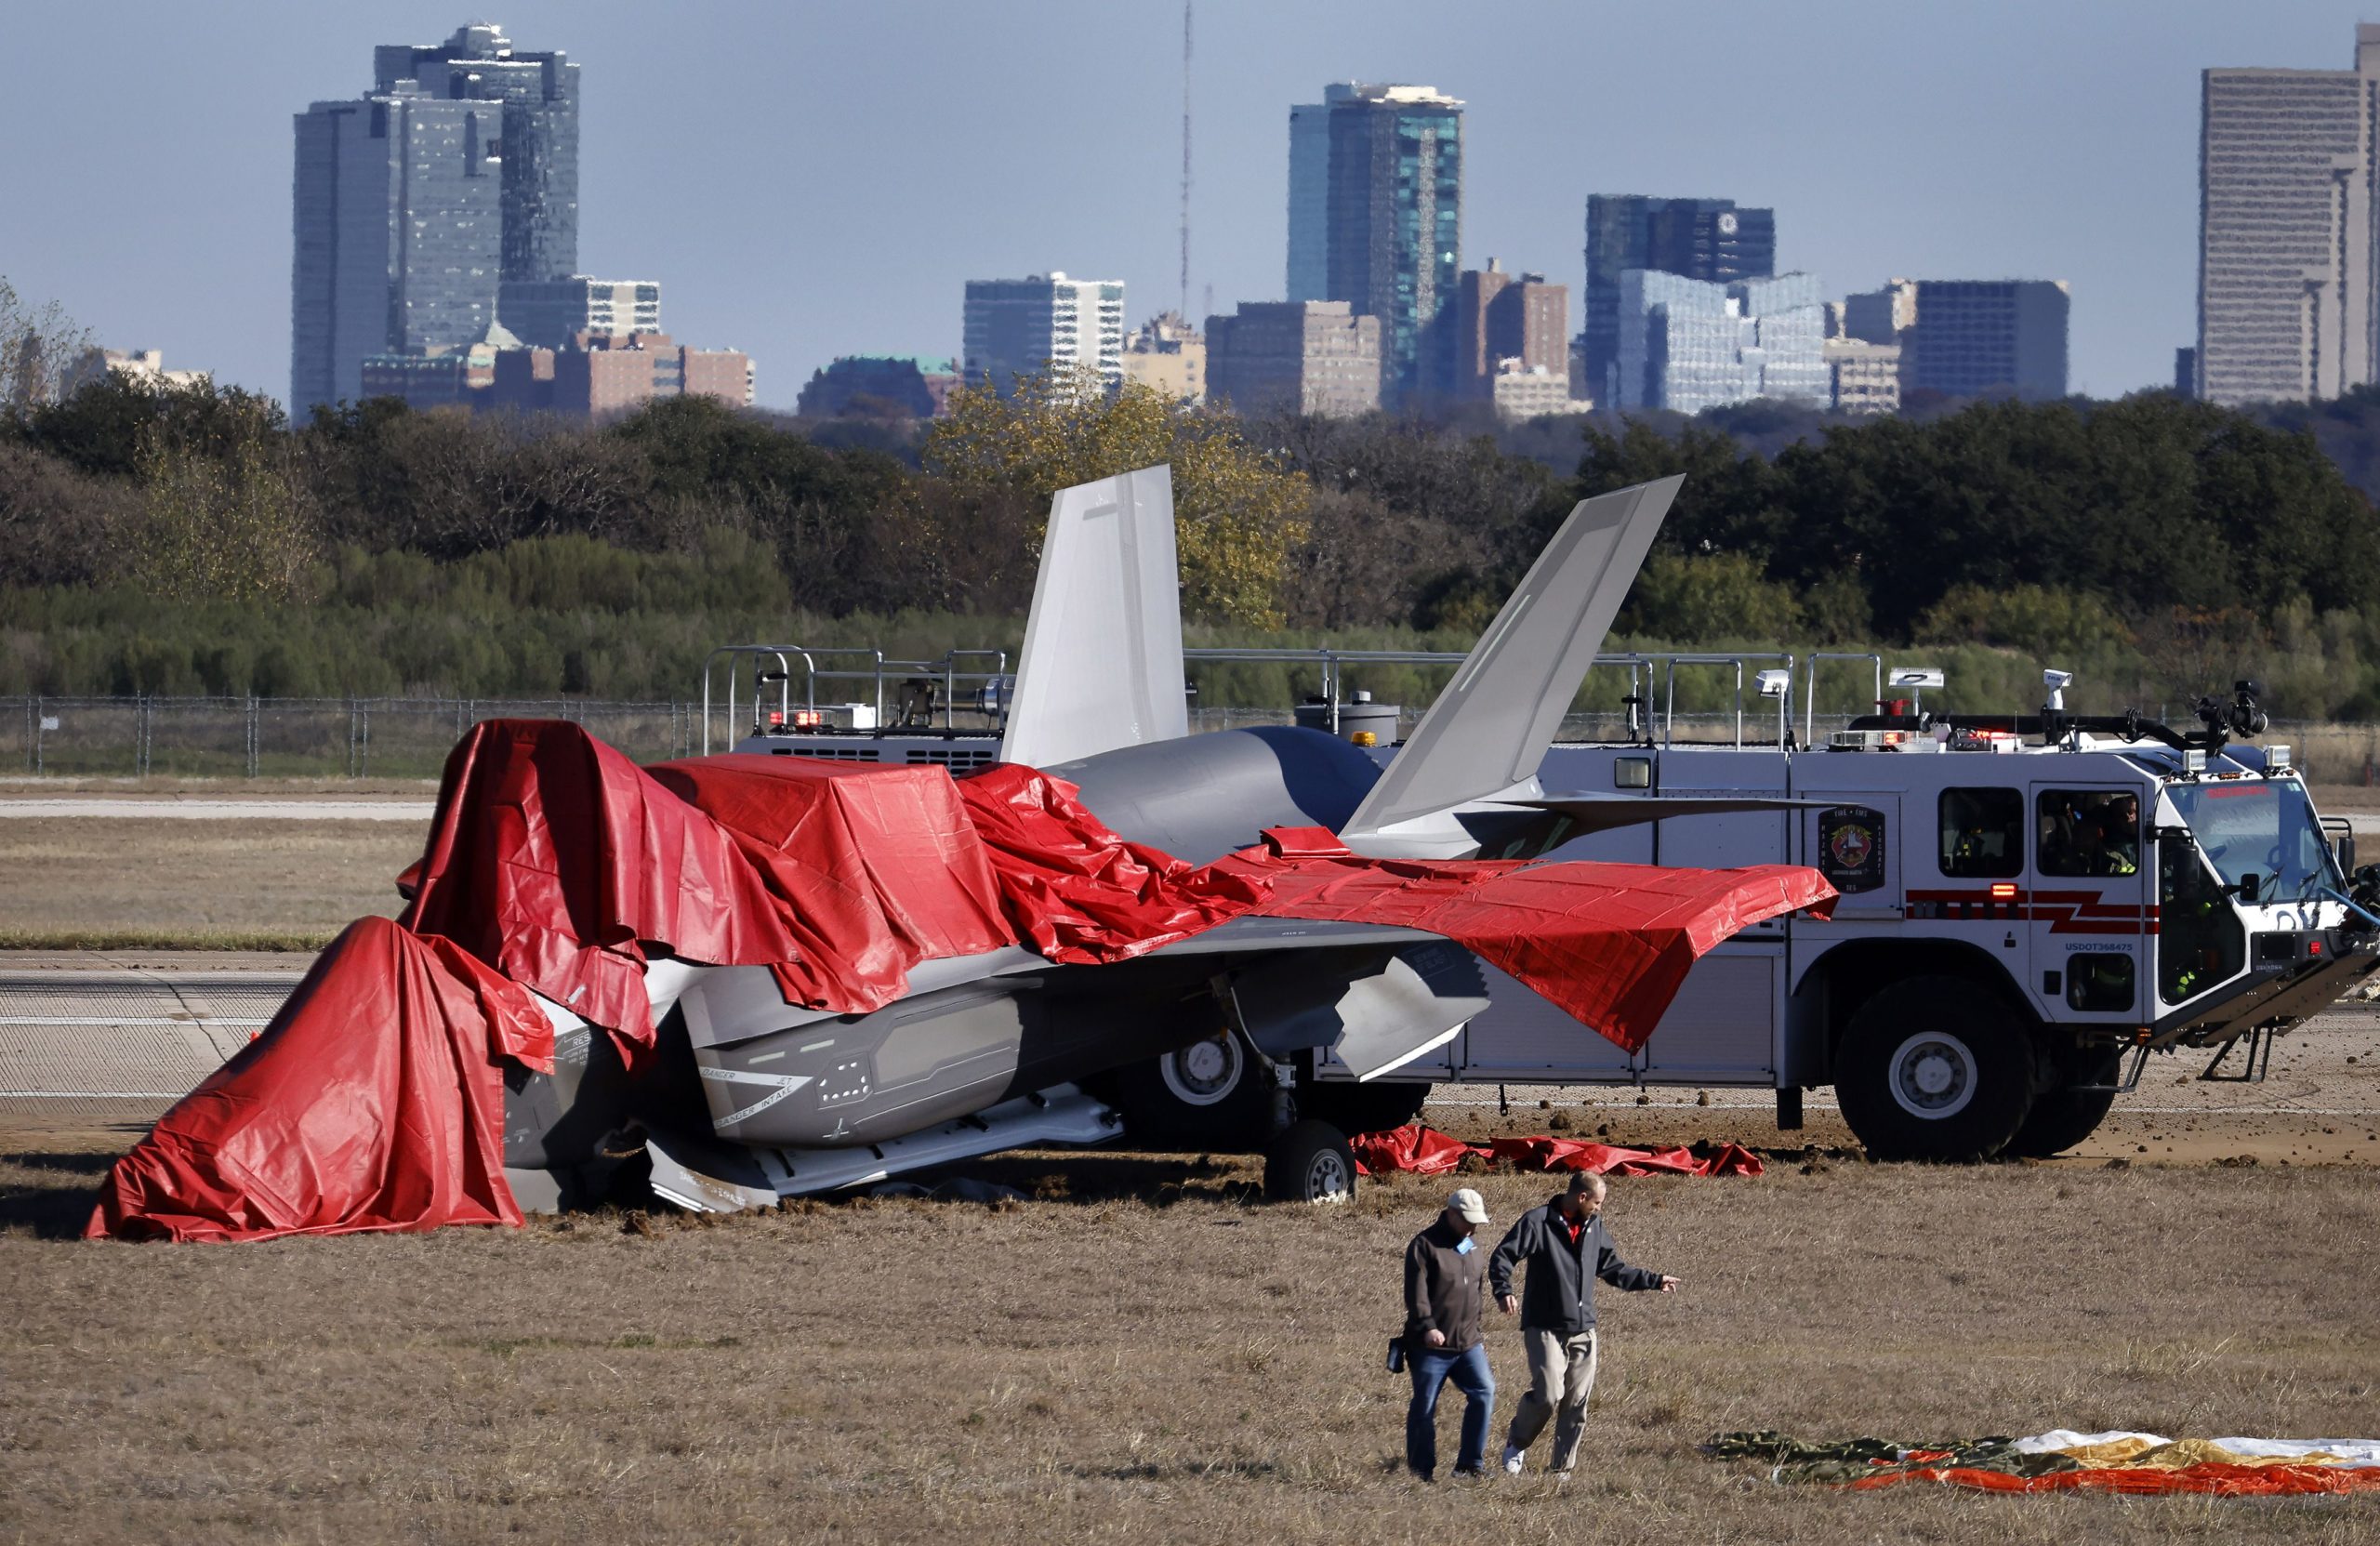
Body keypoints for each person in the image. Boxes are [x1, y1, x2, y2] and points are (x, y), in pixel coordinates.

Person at [1488, 1171, 1679, 1476]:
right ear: (1581, 1198)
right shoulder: (1538, 1222)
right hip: (1544, 1326)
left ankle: (1560, 1470)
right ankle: (1517, 1441)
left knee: (1577, 1402)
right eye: (1597, 1202)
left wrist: (1654, 1281)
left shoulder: (1594, 1226)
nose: (1600, 1208)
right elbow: (1502, 1257)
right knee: (1549, 1394)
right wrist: (1503, 1290)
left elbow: (1614, 1269)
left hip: (1583, 1329)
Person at [1401, 1187, 1497, 1481]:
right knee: (1425, 1407)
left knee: (1485, 1392)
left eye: (1477, 1221)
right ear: (1451, 1214)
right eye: (1468, 1220)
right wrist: (1428, 1326)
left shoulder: (1473, 1247)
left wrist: (1476, 1327)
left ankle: (1469, 1466)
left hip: (1468, 1343)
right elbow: (1415, 1294)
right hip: (1430, 1347)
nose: (1474, 1227)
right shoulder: (1424, 1245)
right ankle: (1421, 1472)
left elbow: (1478, 1291)